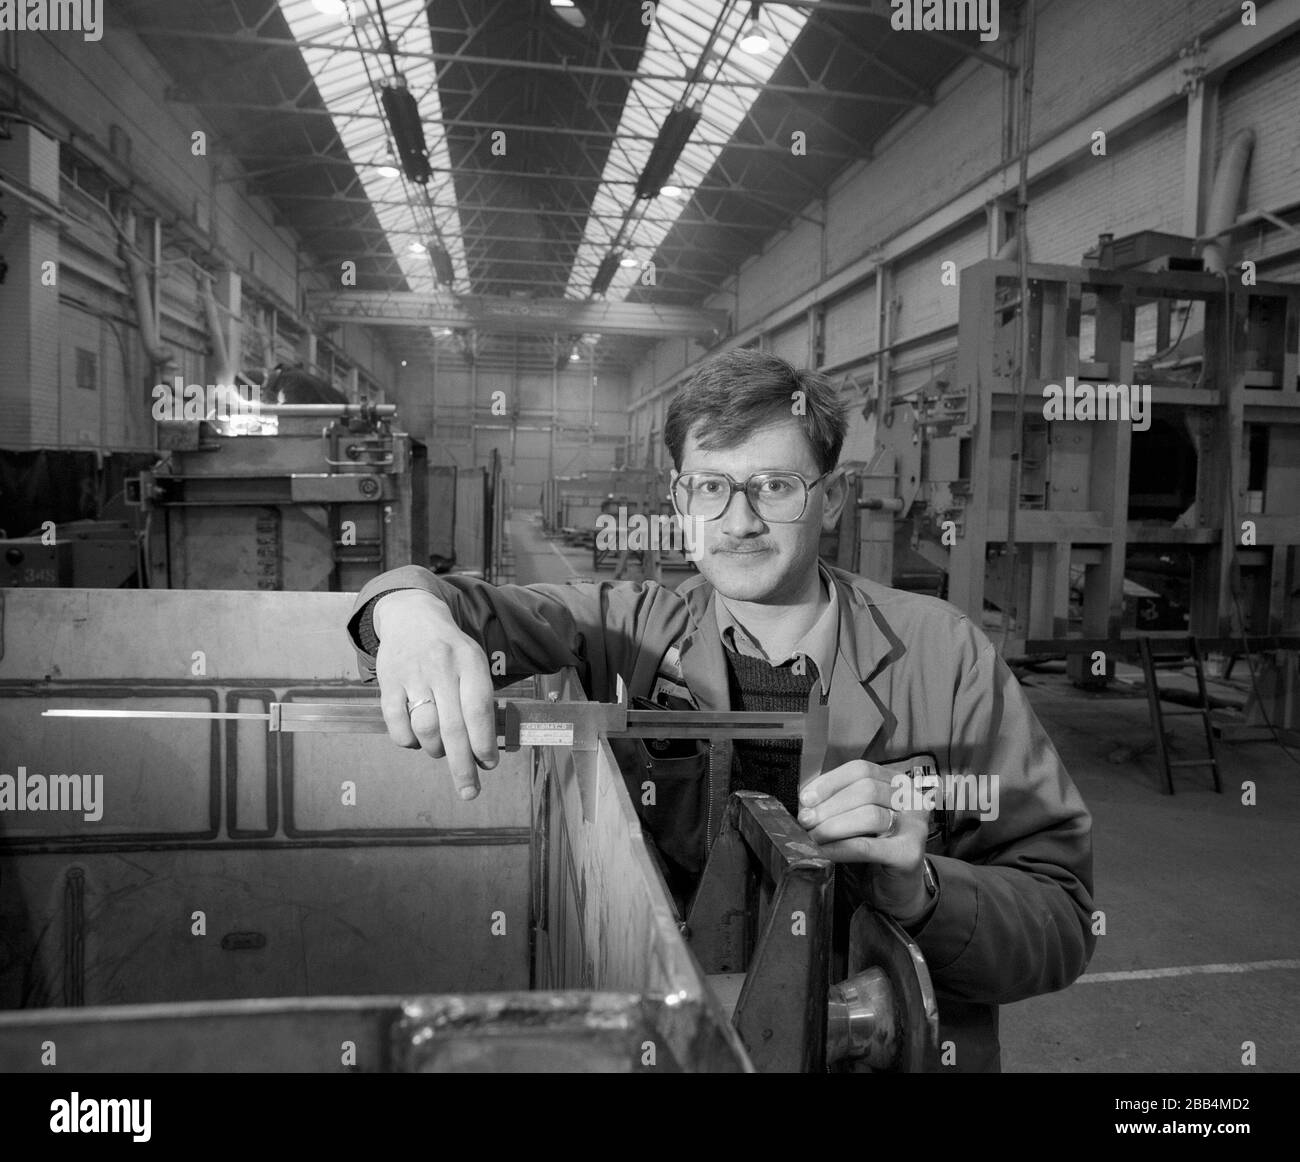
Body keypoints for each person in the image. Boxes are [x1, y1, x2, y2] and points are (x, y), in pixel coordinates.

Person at [346, 349, 1095, 1072]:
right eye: (710, 487)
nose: (738, 521)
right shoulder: (633, 629)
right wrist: (410, 618)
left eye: (774, 486)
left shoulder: (946, 658)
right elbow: (457, 604)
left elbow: (1062, 918)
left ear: (830, 498)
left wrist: (922, 891)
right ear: (679, 501)